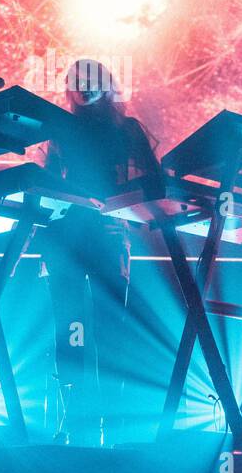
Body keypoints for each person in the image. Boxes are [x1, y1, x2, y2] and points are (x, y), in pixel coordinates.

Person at [39, 60, 160, 446]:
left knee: (109, 333)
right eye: (76, 81)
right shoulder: (60, 129)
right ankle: (76, 425)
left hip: (106, 238)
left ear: (106, 85)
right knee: (70, 331)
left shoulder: (128, 131)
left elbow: (154, 182)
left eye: (90, 80)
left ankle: (113, 427)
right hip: (66, 241)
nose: (83, 86)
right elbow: (46, 182)